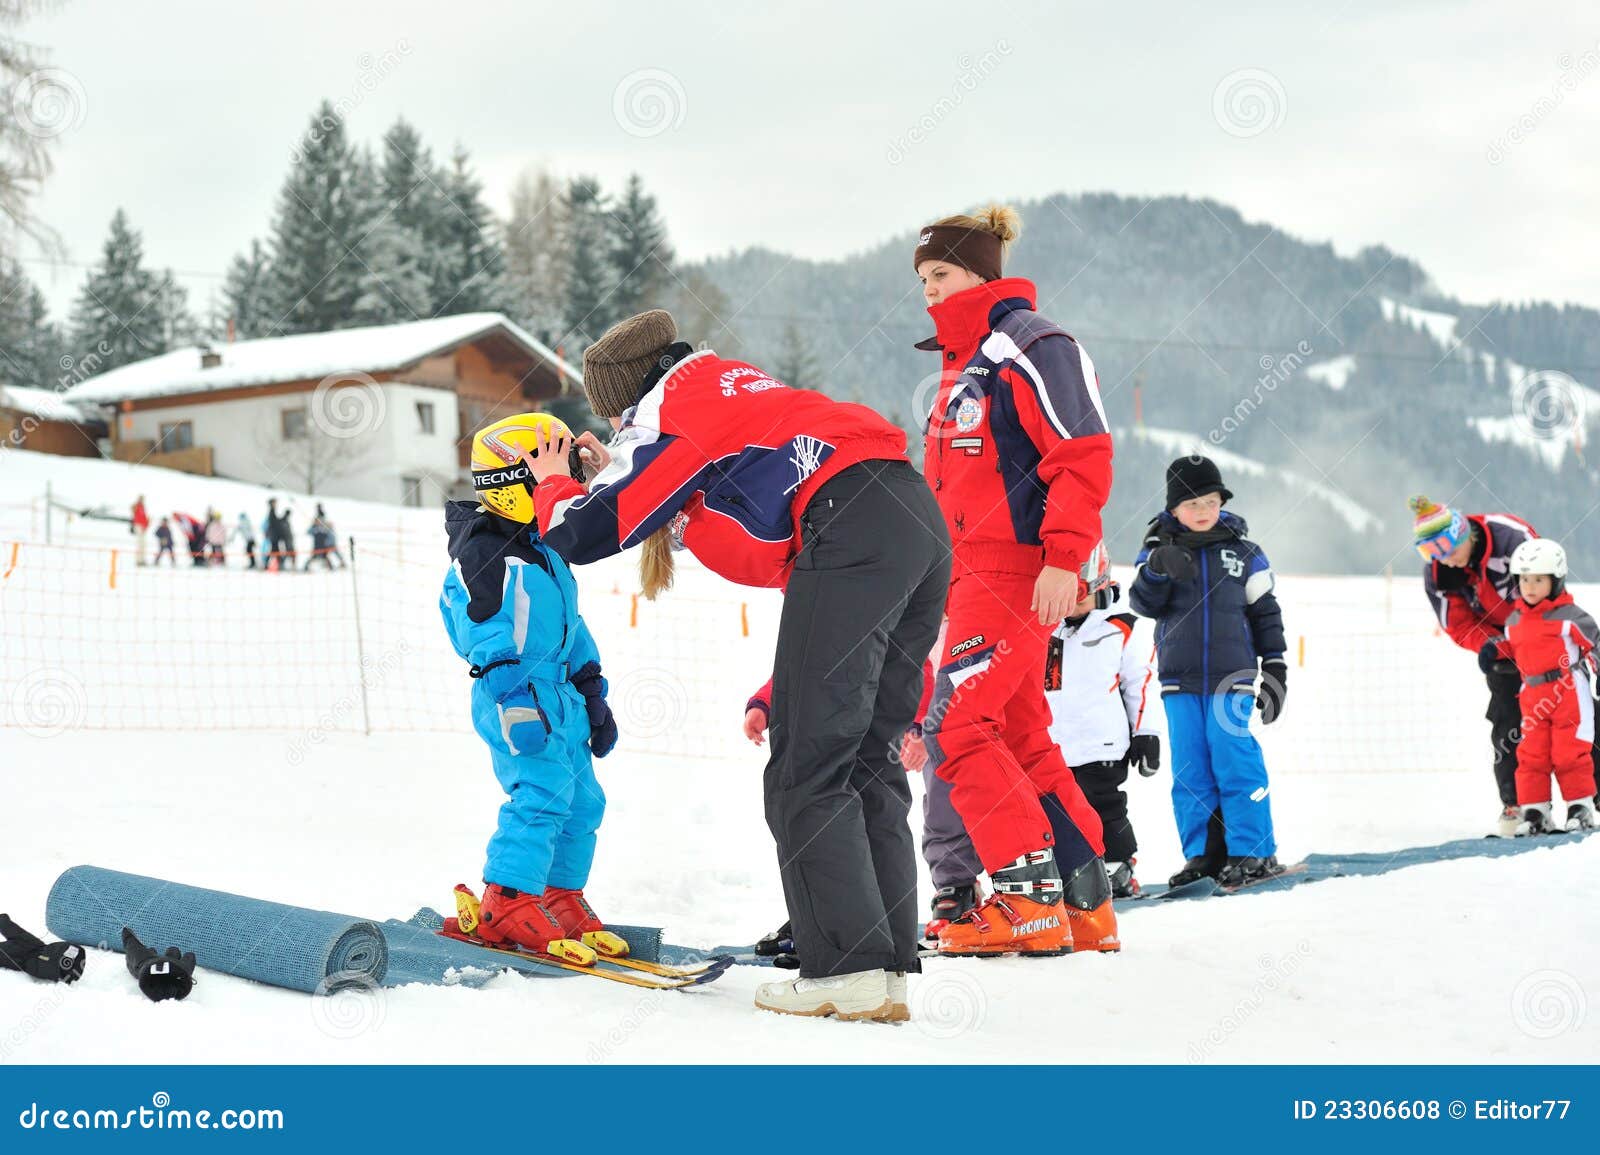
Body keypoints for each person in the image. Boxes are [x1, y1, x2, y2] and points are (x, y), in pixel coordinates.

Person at [525, 308, 949, 1023]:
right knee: (865, 763)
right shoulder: (725, 386)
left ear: (629, 397)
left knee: (806, 772)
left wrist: (553, 483)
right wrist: (623, 474)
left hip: (851, 527)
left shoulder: (670, 410)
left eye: (619, 420)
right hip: (913, 518)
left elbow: (586, 529)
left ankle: (847, 970)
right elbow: (737, 520)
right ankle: (882, 971)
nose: (622, 432)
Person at [911, 203, 1118, 957]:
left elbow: (1082, 454)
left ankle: (1028, 901)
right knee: (1020, 733)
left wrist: (1064, 557)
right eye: (922, 280)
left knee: (958, 726)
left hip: (1016, 572)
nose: (929, 291)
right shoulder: (962, 364)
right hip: (971, 577)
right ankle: (1084, 902)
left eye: (941, 274)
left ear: (979, 273)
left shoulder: (1032, 345)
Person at [440, 412, 620, 960]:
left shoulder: (547, 548)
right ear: (513, 484)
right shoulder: (483, 552)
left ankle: (558, 896)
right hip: (515, 693)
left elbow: (572, 627)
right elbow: (480, 625)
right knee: (542, 794)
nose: (565, 484)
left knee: (584, 801)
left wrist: (592, 690)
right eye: (550, 474)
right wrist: (511, 695)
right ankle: (509, 899)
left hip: (562, 697)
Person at [1130, 455, 1287, 887]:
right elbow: (1143, 604)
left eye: (1211, 502)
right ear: (1174, 508)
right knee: (1190, 770)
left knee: (1234, 757)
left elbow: (1266, 613)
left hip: (1231, 677)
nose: (1203, 511)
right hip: (1178, 680)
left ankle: (1253, 850)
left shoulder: (1245, 554)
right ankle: (1202, 854)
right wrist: (1158, 570)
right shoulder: (1156, 551)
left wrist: (1275, 666)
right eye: (1193, 503)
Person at [1411, 495, 1539, 836]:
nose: (1444, 559)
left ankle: (1590, 793)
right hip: (1500, 650)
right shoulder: (1439, 571)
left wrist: (1528, 638)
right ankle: (1516, 804)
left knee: (1573, 712)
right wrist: (1495, 645)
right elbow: (1459, 624)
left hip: (1543, 633)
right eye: (1430, 552)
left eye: (1445, 547)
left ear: (1462, 531)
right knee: (1507, 721)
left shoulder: (1510, 538)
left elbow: (1545, 588)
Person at [1046, 583, 1161, 897]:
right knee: (1058, 811)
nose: (1072, 604)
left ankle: (1117, 865)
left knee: (1102, 805)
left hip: (1103, 743)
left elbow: (1141, 683)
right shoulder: (1049, 630)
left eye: (1079, 596)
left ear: (1101, 590)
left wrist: (1146, 733)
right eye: (1065, 596)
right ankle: (1072, 872)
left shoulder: (1122, 627)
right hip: (1055, 745)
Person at [1500, 539, 1597, 834]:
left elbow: (1595, 644)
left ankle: (1580, 807)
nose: (1530, 587)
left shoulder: (1570, 616)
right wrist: (1493, 652)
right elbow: (1511, 649)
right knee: (1531, 754)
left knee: (1570, 752)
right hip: (1532, 696)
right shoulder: (1514, 619)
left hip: (1568, 692)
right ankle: (1535, 811)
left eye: (1539, 580)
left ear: (1556, 581)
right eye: (1524, 580)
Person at [131, 495, 149, 566]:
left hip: (143, 527)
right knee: (139, 544)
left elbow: (144, 518)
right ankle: (138, 560)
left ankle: (142, 559)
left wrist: (146, 524)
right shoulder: (137, 506)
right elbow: (133, 511)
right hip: (138, 526)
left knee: (143, 544)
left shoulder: (143, 507)